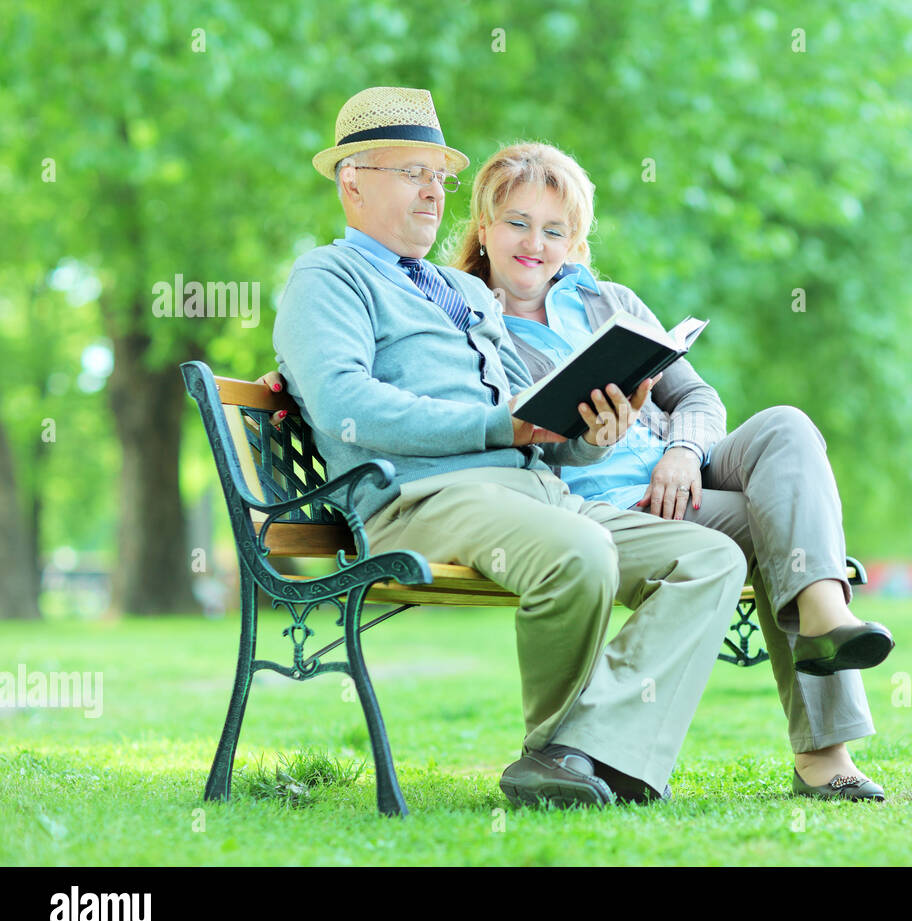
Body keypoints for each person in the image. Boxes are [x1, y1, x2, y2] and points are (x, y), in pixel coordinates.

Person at [272, 86, 750, 808]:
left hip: (533, 492)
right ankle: (559, 754)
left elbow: (532, 433)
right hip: (420, 499)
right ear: (353, 180)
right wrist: (506, 429)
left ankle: (580, 754)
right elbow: (345, 405)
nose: (434, 193)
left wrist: (592, 435)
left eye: (440, 177)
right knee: (580, 552)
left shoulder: (456, 289)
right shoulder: (328, 277)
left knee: (710, 557)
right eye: (413, 173)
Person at [449, 142, 897, 801]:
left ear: (575, 240)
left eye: (555, 230)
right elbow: (513, 451)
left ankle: (827, 618)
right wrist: (598, 440)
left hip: (682, 475)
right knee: (784, 532)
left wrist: (684, 453)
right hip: (605, 504)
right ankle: (824, 753)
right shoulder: (471, 323)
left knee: (788, 427)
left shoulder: (609, 300)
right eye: (517, 223)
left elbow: (696, 397)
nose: (534, 245)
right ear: (484, 228)